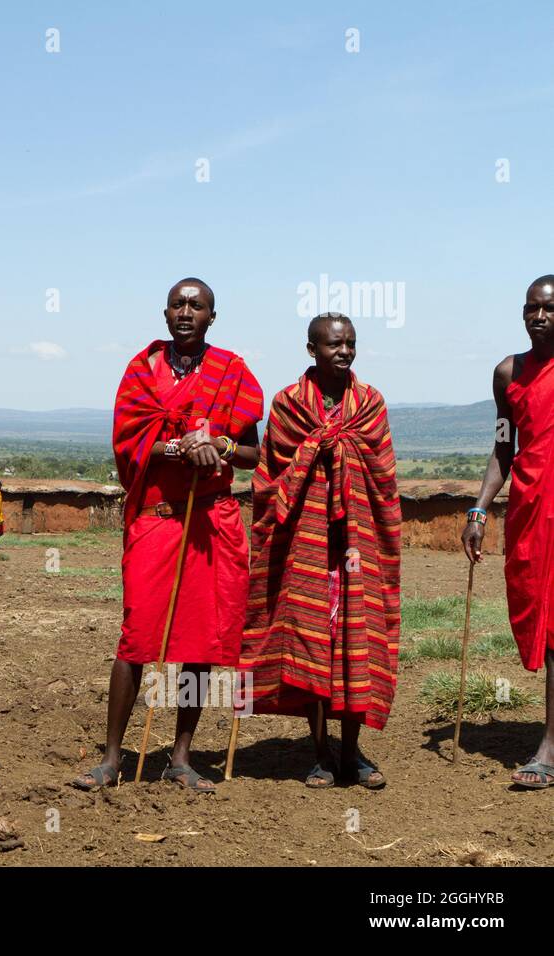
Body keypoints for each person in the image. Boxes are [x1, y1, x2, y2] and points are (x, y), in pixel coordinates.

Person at [71, 278, 262, 793]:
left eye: (196, 306)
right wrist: (179, 447)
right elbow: (129, 442)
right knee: (137, 635)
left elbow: (252, 455)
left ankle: (180, 755)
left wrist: (219, 444)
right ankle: (111, 757)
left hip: (210, 520)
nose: (186, 312)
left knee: (199, 641)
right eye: (178, 304)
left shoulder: (233, 373)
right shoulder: (141, 370)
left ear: (211, 317)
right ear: (164, 312)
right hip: (157, 518)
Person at [238, 313, 401, 788]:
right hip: (306, 544)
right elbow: (270, 476)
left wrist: (338, 453)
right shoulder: (288, 405)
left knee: (357, 641)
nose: (344, 351)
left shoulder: (370, 403)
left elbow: (383, 476)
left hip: (356, 542)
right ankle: (321, 753)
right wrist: (318, 450)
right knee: (312, 641)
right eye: (334, 344)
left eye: (350, 343)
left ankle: (353, 755)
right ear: (311, 349)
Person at [463, 274, 554, 788]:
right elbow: (504, 447)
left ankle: (549, 747)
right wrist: (479, 511)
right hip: (533, 510)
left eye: (549, 308)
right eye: (530, 308)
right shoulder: (508, 373)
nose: (538, 316)